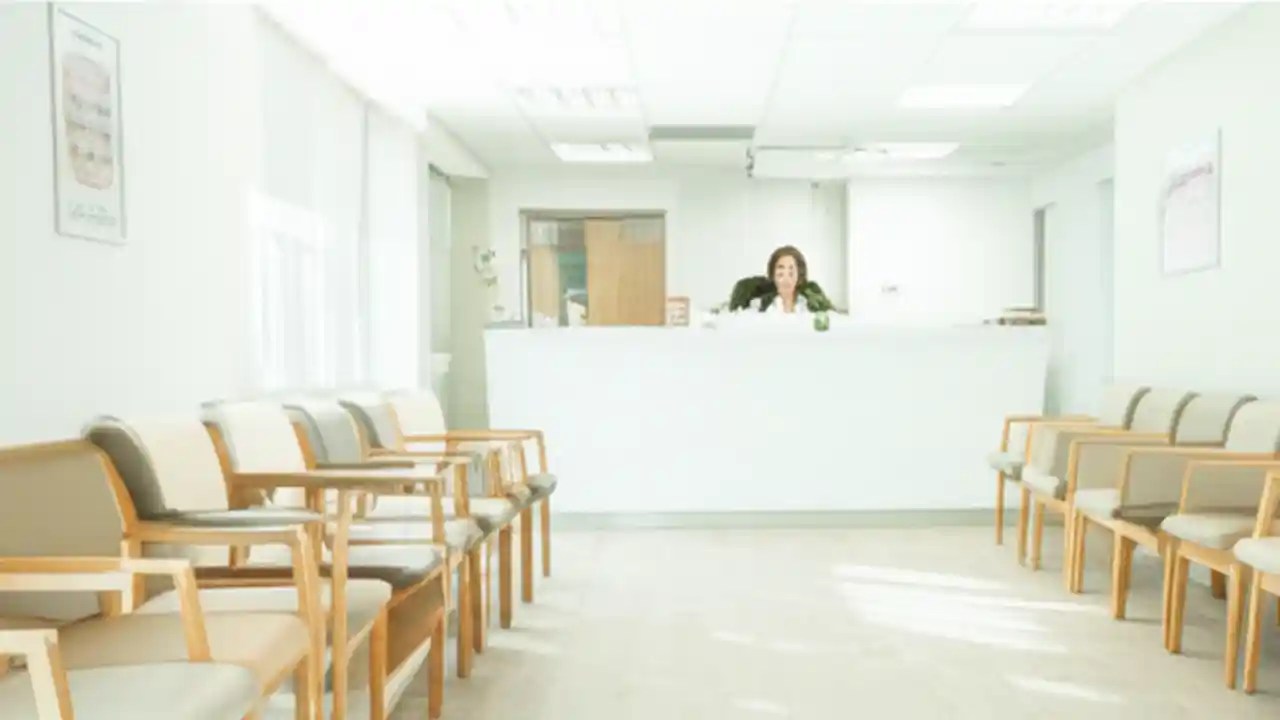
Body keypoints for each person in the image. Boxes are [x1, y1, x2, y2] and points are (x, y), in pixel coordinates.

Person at [729, 245, 834, 314]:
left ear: (799, 275)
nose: (786, 279)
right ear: (773, 275)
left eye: (791, 273)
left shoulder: (809, 304)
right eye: (780, 273)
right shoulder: (760, 305)